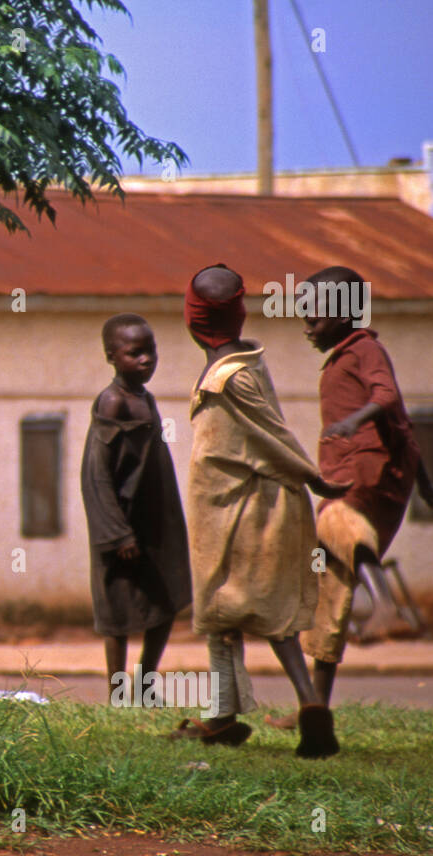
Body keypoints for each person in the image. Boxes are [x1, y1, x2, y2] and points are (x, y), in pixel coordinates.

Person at [173, 264, 348, 757]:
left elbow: (275, 436)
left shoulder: (229, 378)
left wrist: (315, 478)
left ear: (192, 319)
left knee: (239, 610)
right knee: (233, 614)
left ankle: (304, 707)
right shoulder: (244, 364)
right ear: (240, 312)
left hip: (244, 511)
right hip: (238, 508)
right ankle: (227, 716)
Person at [270, 266, 433, 725]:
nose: (307, 327)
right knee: (331, 590)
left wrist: (354, 422)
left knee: (335, 520)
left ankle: (388, 606)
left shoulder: (365, 349)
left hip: (362, 476)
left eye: (314, 319)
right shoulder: (346, 357)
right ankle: (314, 708)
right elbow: (405, 425)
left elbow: (387, 397)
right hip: (375, 474)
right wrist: (427, 484)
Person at [81, 314, 191, 704]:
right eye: (135, 353)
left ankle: (144, 687)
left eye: (151, 351)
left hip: (155, 524)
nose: (147, 360)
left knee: (165, 602)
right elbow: (97, 474)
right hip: (122, 526)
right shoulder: (112, 403)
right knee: (119, 612)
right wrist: (117, 532)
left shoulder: (146, 399)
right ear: (112, 356)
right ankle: (117, 692)